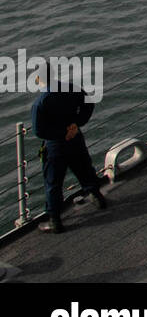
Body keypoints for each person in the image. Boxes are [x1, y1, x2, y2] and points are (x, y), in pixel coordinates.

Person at [31, 82, 107, 233]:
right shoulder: (71, 88)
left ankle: (55, 220)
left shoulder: (41, 102)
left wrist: (60, 134)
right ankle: (96, 196)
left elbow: (38, 131)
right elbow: (88, 103)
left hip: (55, 145)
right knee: (84, 168)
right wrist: (77, 123)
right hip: (75, 137)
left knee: (53, 182)